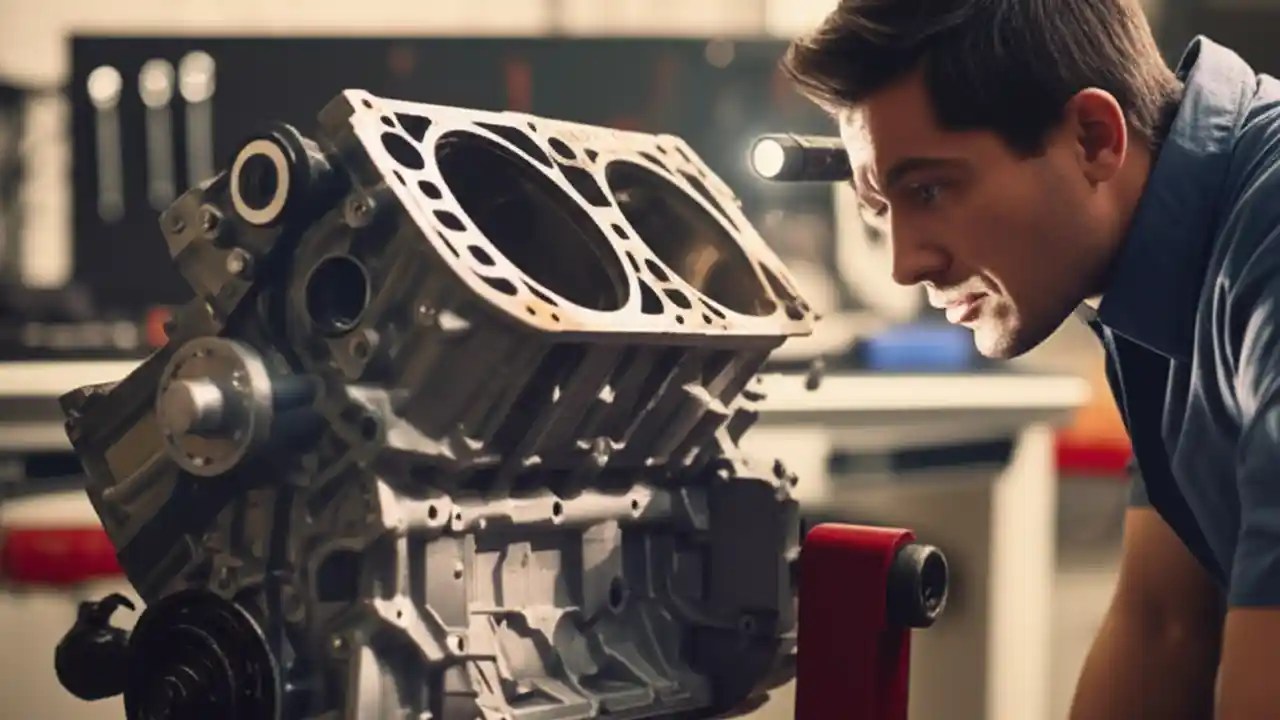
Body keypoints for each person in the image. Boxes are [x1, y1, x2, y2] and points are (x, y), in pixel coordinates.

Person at [782, 1, 1280, 718]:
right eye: (880, 208)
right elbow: (1164, 625)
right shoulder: (1167, 267)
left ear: (1092, 137)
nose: (905, 263)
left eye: (930, 190)